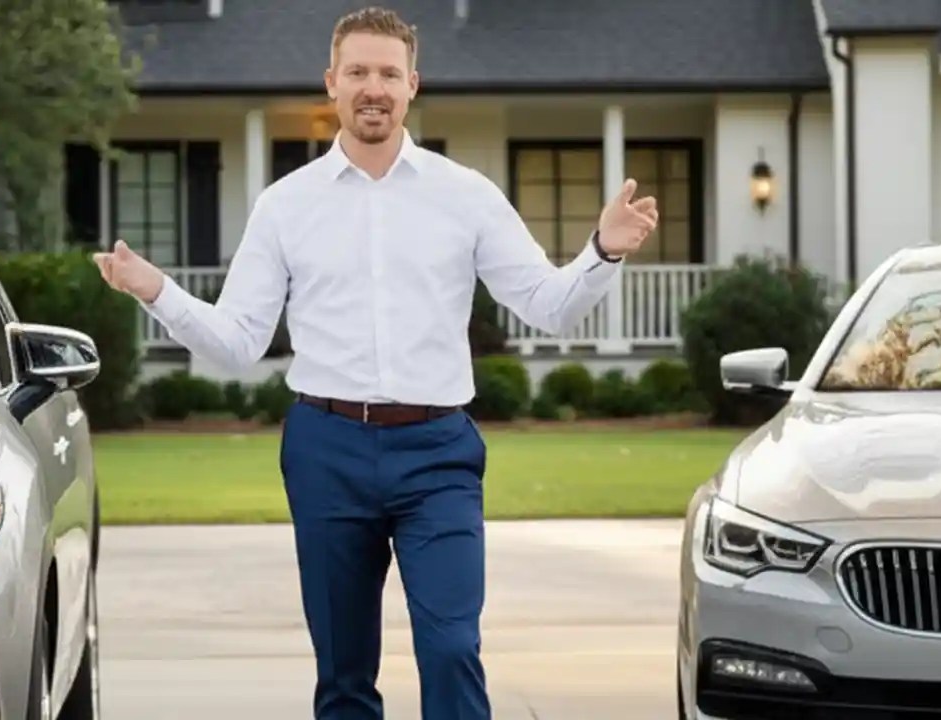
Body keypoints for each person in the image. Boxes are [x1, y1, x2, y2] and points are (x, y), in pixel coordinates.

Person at [92, 6, 658, 718]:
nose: (373, 87)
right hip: (326, 450)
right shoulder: (284, 207)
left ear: (412, 85)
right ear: (331, 83)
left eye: (388, 73)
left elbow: (546, 304)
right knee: (344, 672)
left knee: (452, 649)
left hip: (438, 452)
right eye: (357, 71)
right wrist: (158, 291)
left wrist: (601, 252)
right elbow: (239, 340)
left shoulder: (466, 196)